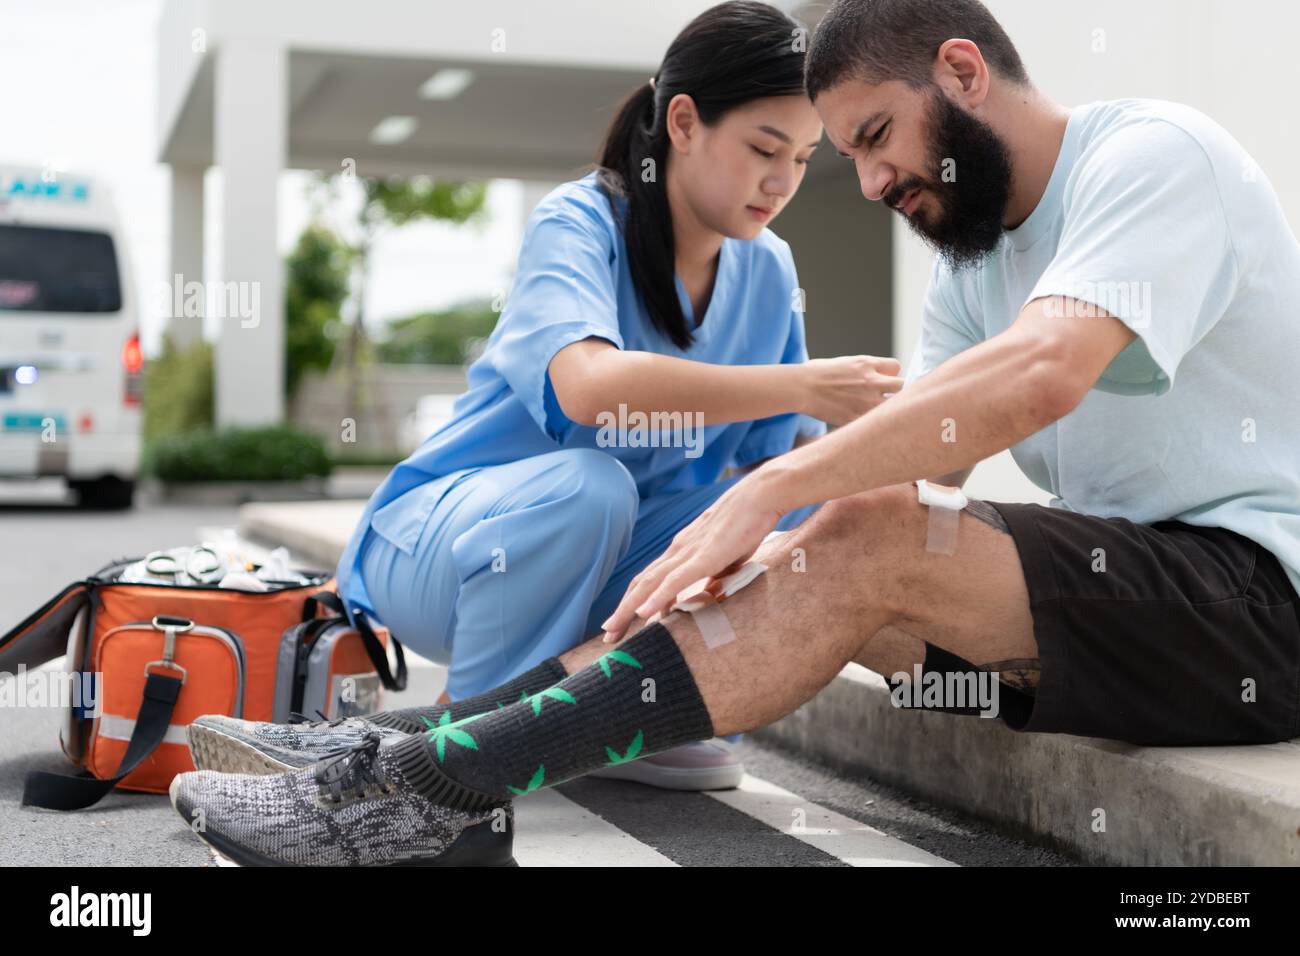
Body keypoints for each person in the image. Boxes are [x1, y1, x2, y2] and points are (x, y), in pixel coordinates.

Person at [170, 0, 1300, 867]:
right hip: (1139, 614)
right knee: (833, 538)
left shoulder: (1150, 157)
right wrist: (783, 525)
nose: (860, 184)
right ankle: (418, 750)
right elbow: (926, 462)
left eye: (865, 139)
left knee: (841, 528)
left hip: (1260, 604)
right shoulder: (972, 265)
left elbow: (1046, 373)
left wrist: (781, 484)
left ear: (961, 71)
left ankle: (430, 785)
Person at [183, 0, 900, 793]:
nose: (782, 182)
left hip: (608, 559)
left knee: (805, 505)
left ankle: (630, 703)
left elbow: (766, 474)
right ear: (686, 123)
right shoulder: (580, 220)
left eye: (802, 158)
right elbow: (590, 391)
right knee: (593, 486)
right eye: (765, 148)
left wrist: (895, 443)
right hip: (438, 547)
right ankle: (458, 736)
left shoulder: (767, 270)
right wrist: (808, 383)